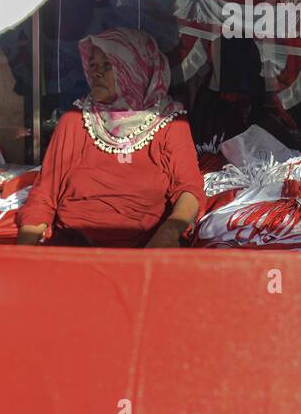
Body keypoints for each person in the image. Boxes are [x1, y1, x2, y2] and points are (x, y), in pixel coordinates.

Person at [17, 27, 203, 248]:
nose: (96, 73)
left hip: (144, 252)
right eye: (93, 65)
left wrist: (169, 233)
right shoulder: (76, 120)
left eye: (108, 65)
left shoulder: (170, 123)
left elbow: (189, 190)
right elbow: (44, 196)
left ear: (136, 69)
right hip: (74, 250)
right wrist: (25, 256)